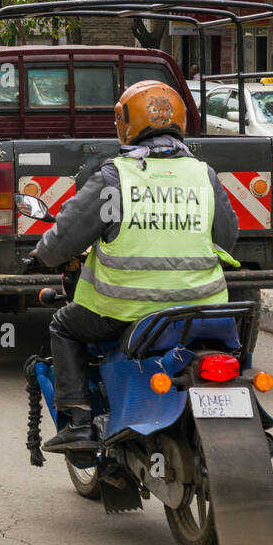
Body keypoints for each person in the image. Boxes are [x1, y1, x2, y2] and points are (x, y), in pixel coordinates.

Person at [27, 80, 239, 453]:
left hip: (128, 312)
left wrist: (40, 256)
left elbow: (66, 237)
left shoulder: (116, 176)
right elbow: (227, 237)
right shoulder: (202, 174)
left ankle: (78, 421)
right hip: (204, 310)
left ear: (125, 123)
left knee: (63, 325)